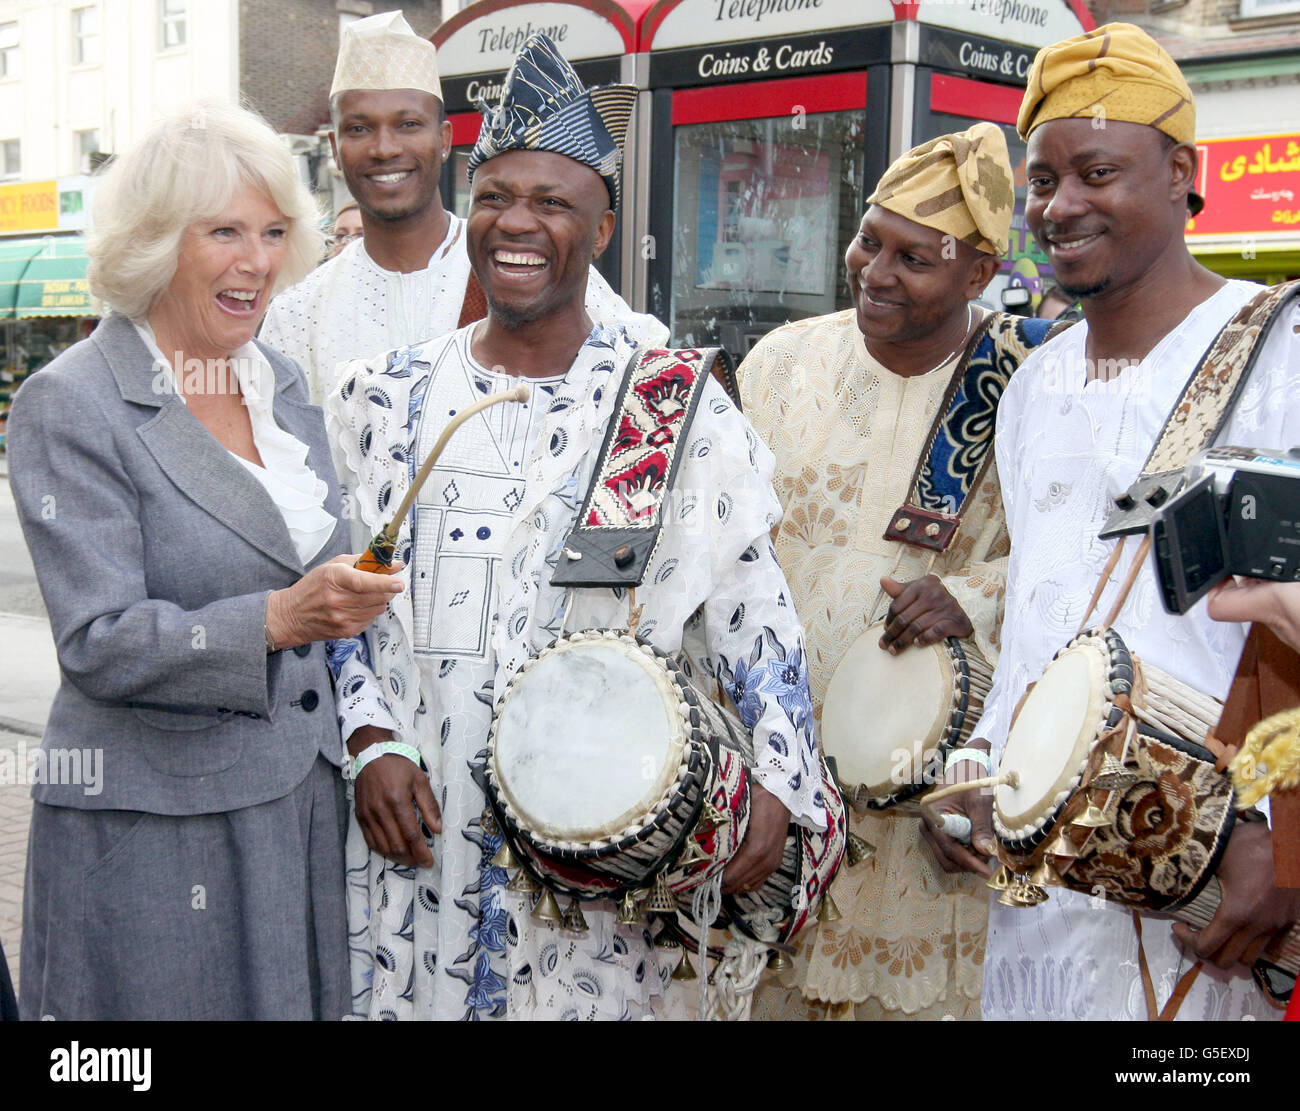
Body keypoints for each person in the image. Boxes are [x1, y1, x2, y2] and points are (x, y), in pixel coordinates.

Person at [326, 33, 829, 1021]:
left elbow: (756, 622)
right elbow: (336, 600)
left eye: (551, 203)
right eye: (495, 196)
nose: (517, 223)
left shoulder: (664, 408)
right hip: (414, 843)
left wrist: (777, 777)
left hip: (595, 869)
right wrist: (368, 736)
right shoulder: (383, 399)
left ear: (600, 228)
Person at [922, 23, 1300, 1021]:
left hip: (1213, 880)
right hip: (1043, 887)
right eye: (1041, 180)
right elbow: (1038, 622)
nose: (1060, 206)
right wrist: (979, 773)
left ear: (1182, 172)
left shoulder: (1279, 355)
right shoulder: (1031, 388)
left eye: (1096, 171)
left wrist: (1286, 833)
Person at [6, 101, 404, 1020]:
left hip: (299, 817)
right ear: (154, 244)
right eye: (223, 230)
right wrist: (278, 618)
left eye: (272, 231)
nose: (258, 261)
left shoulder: (283, 385)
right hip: (157, 834)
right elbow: (99, 639)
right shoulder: (71, 402)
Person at [741, 123, 1059, 1021]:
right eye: (868, 239)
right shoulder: (781, 362)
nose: (876, 270)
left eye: (915, 257)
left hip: (931, 804)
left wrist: (967, 594)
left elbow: (1073, 564)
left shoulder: (1026, 378)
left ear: (979, 274)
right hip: (781, 788)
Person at [260, 10, 665, 409]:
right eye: (359, 128)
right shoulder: (299, 313)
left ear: (444, 139)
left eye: (408, 125)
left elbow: (646, 384)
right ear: (334, 147)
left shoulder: (523, 265)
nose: (384, 149)